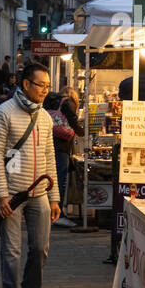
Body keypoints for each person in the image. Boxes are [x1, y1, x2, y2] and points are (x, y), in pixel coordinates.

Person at [0, 61, 59, 288]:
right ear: (25, 84)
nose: (45, 90)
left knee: (40, 247)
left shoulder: (45, 117)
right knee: (11, 252)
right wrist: (1, 195)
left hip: (39, 193)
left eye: (48, 86)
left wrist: (54, 197)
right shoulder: (2, 113)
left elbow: (49, 157)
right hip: (13, 195)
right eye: (41, 85)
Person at [46, 88, 83, 227]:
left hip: (50, 144)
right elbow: (73, 121)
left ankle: (50, 211)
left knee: (50, 180)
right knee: (60, 180)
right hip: (62, 147)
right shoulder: (68, 102)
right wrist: (82, 132)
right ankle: (59, 214)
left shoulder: (51, 102)